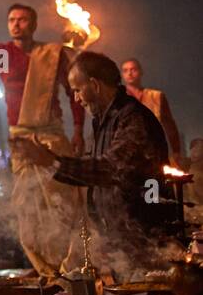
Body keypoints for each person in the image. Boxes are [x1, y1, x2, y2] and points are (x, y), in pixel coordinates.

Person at [0, 1, 83, 278]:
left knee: (64, 204)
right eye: (12, 19)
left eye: (22, 19)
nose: (16, 24)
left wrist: (79, 129)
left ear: (33, 25)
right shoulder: (3, 55)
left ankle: (71, 267)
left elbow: (74, 92)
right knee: (28, 206)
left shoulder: (52, 54)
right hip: (21, 141)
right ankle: (46, 272)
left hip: (51, 137)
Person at [25, 52, 171, 275]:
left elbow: (112, 169)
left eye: (76, 89)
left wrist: (54, 163)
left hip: (146, 243)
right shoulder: (104, 121)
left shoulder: (132, 118)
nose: (75, 98)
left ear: (94, 85)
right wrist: (53, 162)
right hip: (122, 245)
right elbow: (93, 166)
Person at [120, 58, 182, 165]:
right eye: (125, 70)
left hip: (153, 153)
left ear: (141, 72)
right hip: (126, 154)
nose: (129, 73)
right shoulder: (118, 99)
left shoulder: (156, 96)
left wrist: (176, 151)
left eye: (133, 69)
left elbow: (169, 125)